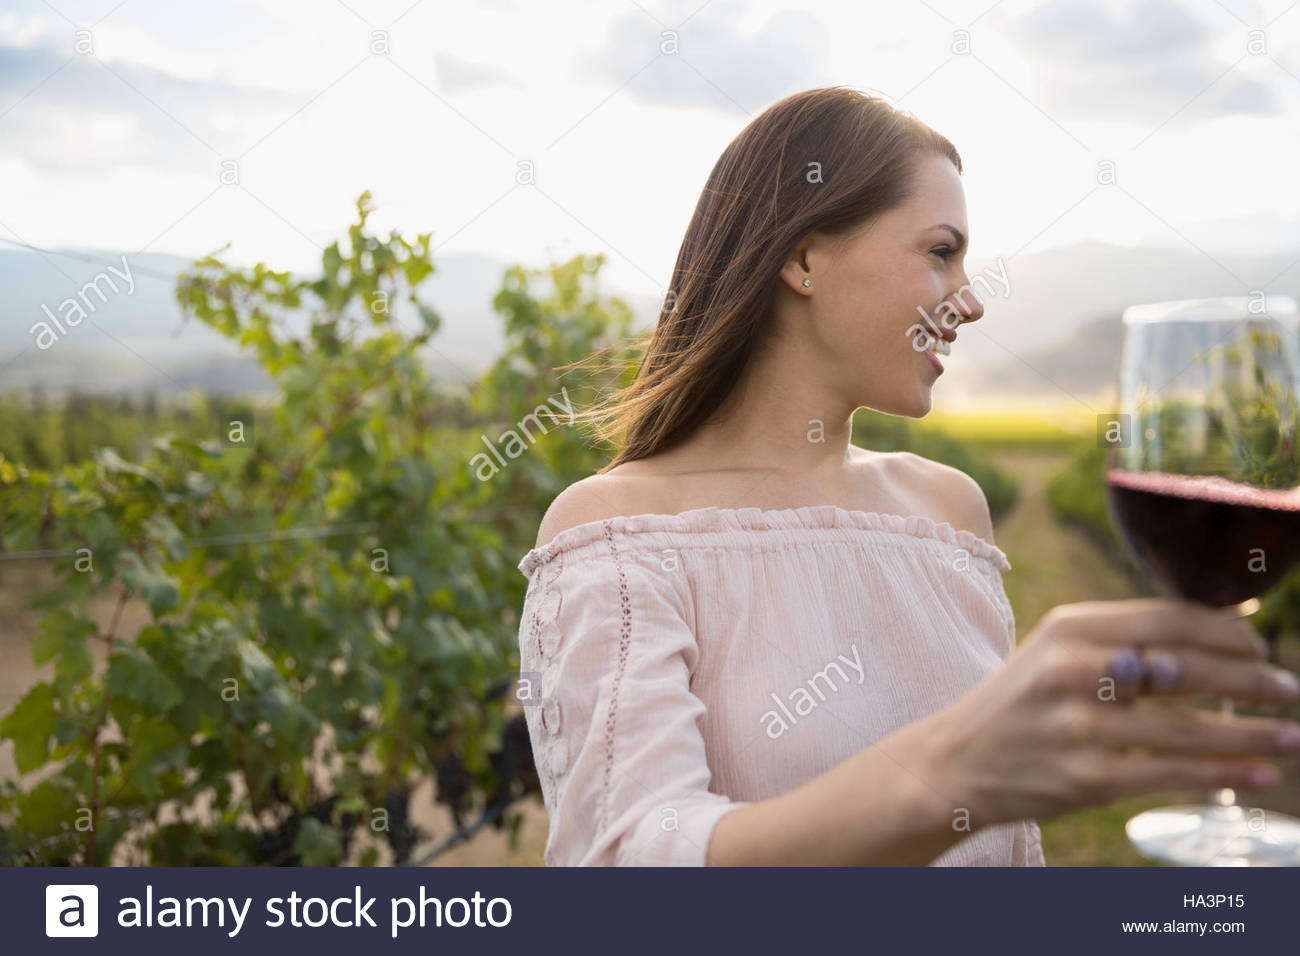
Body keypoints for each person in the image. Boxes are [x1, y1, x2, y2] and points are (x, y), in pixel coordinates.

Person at [514, 86, 1300, 866]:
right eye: (939, 252)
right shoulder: (617, 535)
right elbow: (630, 863)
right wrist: (956, 771)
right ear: (802, 257)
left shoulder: (947, 509)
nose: (972, 301)